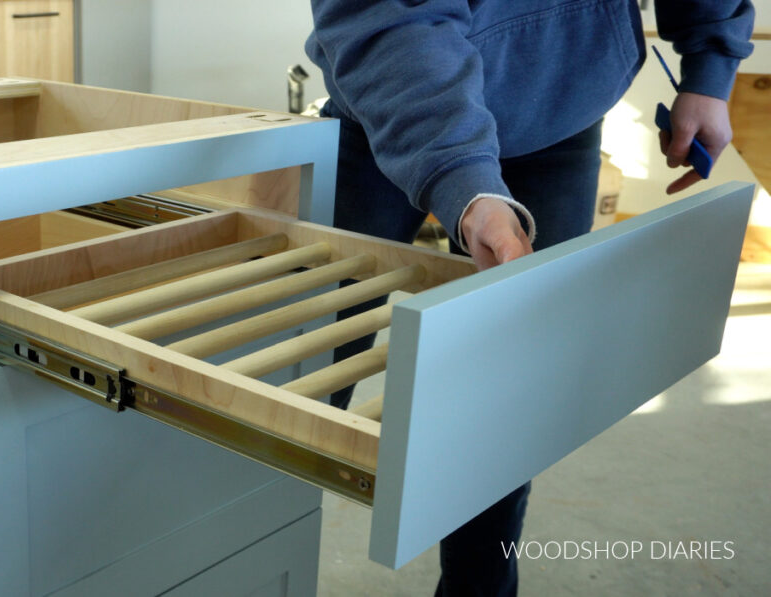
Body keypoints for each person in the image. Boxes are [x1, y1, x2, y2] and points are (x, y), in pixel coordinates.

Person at [305, 1, 754, 594]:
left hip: (560, 116)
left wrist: (709, 65)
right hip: (389, 109)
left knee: (509, 408)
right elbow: (392, 17)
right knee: (302, 376)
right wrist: (465, 176)